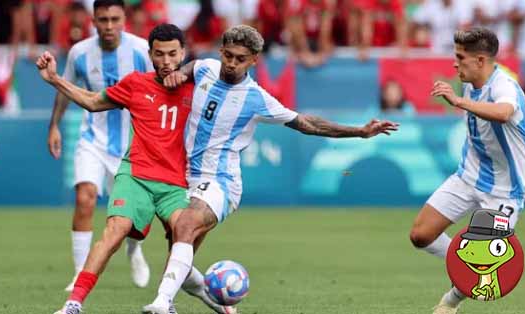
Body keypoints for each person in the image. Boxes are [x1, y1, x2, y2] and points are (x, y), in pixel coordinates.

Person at [141, 24, 399, 314]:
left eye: (240, 59)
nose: (231, 64)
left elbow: (308, 124)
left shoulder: (256, 97)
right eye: (228, 55)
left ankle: (163, 303)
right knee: (180, 257)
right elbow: (192, 67)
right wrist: (180, 73)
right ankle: (220, 304)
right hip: (183, 177)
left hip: (221, 182)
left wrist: (360, 132)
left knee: (185, 227)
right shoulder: (206, 68)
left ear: (254, 61)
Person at [38, 23, 238, 314]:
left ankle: (177, 301)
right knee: (114, 231)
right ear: (150, 55)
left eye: (173, 54)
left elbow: (233, 94)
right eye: (159, 54)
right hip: (136, 176)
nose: (167, 62)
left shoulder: (200, 89)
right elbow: (93, 102)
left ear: (184, 53)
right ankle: (73, 304)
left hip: (177, 183)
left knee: (183, 242)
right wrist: (55, 78)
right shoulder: (136, 83)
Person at [408, 27, 525, 314]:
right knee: (420, 235)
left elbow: (503, 113)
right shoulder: (470, 82)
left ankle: (450, 302)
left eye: (460, 57)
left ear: (480, 60)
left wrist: (458, 101)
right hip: (468, 177)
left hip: (506, 189)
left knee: (486, 260)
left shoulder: (505, 85)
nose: (455, 63)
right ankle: (468, 262)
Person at [46, 0, 151, 292]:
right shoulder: (80, 53)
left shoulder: (142, 51)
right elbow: (65, 90)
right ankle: (80, 273)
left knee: (131, 216)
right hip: (93, 139)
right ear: (93, 20)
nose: (108, 26)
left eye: (114, 19)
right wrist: (54, 125)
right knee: (85, 197)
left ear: (124, 19)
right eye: (102, 20)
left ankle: (134, 250)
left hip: (134, 144)